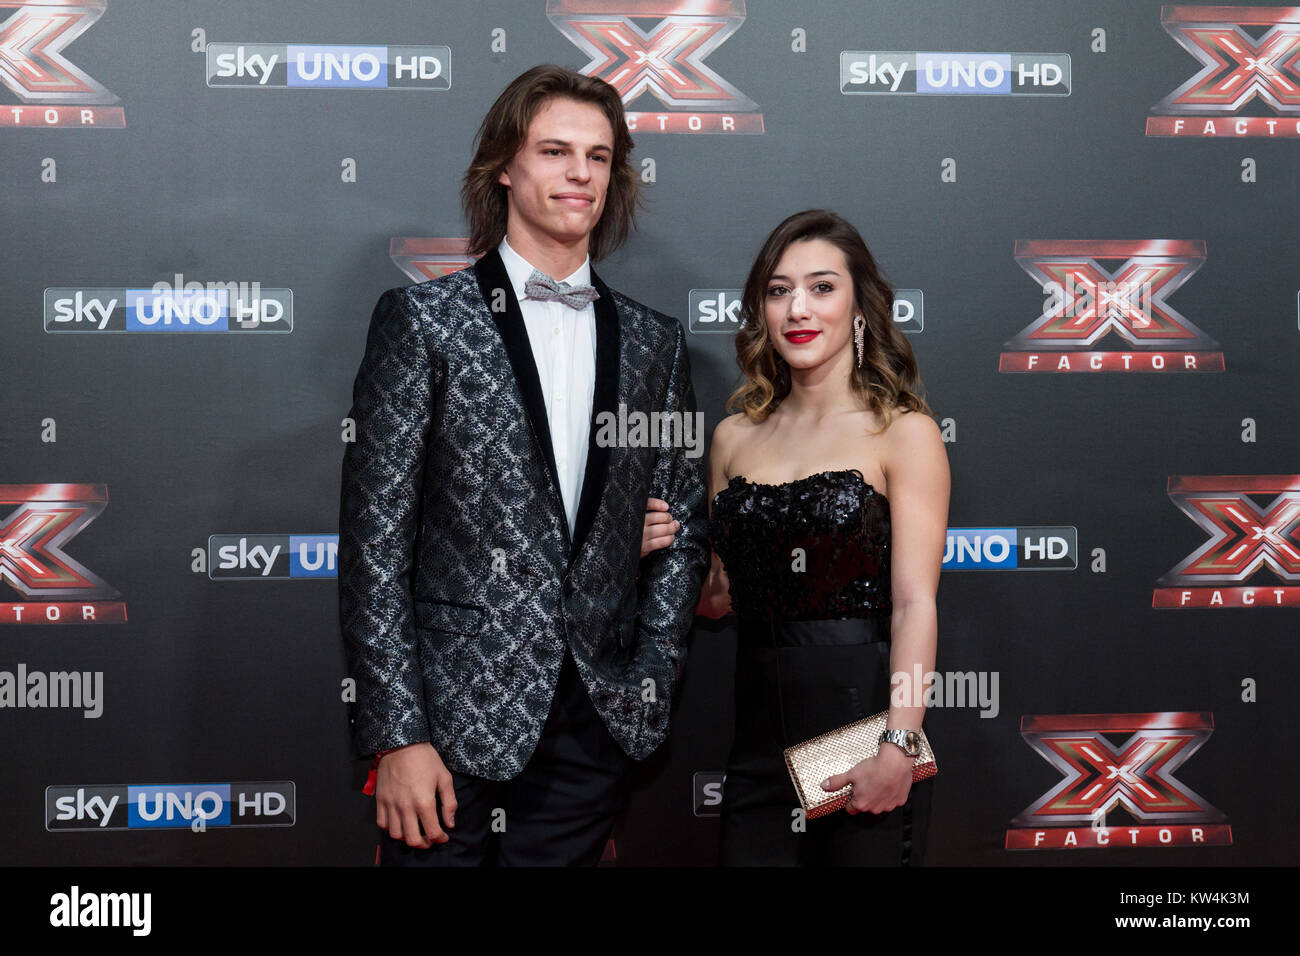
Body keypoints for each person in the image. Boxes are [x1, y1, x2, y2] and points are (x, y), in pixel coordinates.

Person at [339, 64, 709, 866]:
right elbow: (374, 547)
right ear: (505, 166)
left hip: (592, 731)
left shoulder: (654, 344)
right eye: (554, 150)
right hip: (446, 729)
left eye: (599, 156)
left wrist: (644, 678)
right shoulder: (423, 323)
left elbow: (682, 527)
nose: (579, 173)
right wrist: (398, 735)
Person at [642, 209, 948, 865]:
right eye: (778, 291)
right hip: (756, 752)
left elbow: (915, 604)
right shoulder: (733, 438)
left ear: (858, 306)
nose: (798, 309)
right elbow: (719, 601)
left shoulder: (903, 431)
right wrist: (659, 553)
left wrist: (900, 746)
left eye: (822, 287)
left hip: (864, 747)